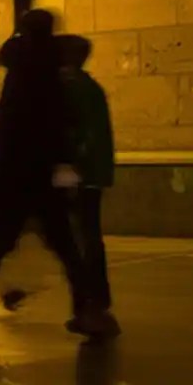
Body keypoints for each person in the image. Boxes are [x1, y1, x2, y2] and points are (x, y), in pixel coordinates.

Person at [0, 9, 114, 350]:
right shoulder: (49, 74)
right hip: (41, 175)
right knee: (66, 248)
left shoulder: (17, 71)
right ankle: (88, 310)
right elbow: (56, 125)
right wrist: (62, 162)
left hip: (15, 174)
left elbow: (7, 122)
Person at [58, 34, 116, 322]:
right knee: (89, 235)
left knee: (81, 237)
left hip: (78, 173)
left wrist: (71, 164)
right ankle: (96, 297)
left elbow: (76, 133)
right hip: (91, 172)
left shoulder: (72, 88)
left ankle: (90, 299)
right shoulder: (90, 86)